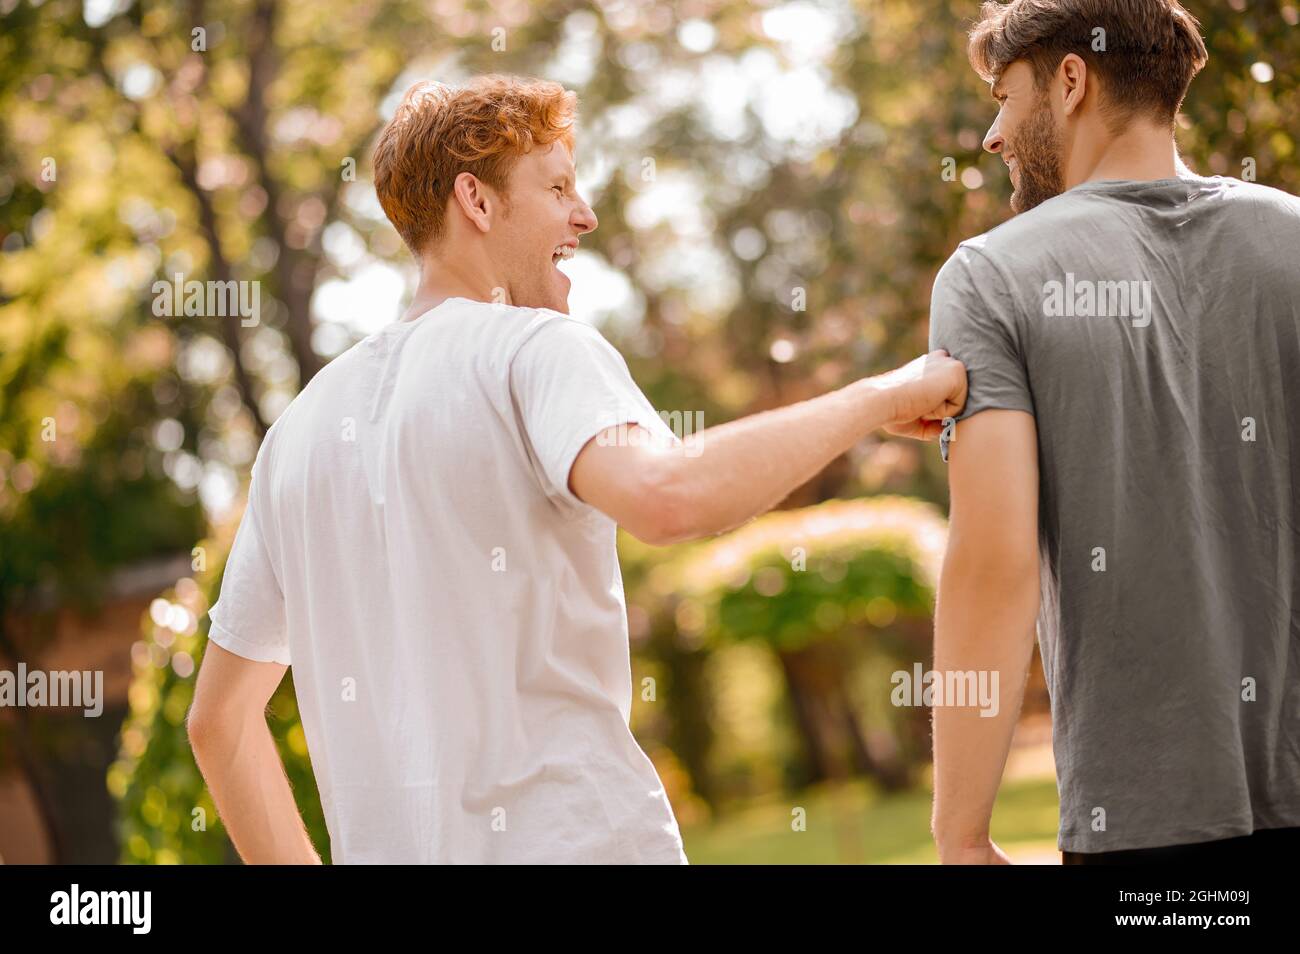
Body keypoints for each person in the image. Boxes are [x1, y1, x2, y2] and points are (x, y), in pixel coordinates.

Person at [186, 74, 967, 864]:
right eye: (557, 186)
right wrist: (882, 395)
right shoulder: (534, 348)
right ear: (477, 202)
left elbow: (217, 723)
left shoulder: (295, 436)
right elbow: (667, 497)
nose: (584, 215)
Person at [927, 0, 1300, 864]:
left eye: (1002, 97)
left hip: (1148, 836)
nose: (993, 137)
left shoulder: (991, 277)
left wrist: (961, 836)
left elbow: (994, 563)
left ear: (1069, 80)